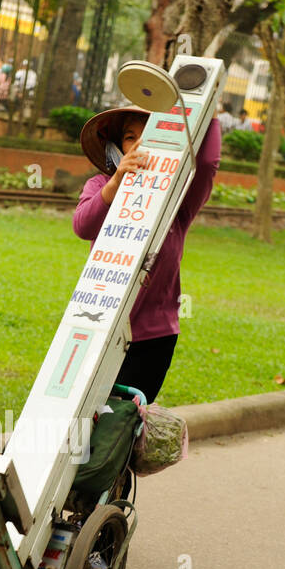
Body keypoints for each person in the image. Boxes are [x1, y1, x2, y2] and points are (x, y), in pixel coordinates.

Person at [73, 103, 221, 405]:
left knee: (125, 424)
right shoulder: (100, 185)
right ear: (116, 146)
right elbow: (83, 225)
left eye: (152, 134)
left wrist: (211, 111)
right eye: (130, 136)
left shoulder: (179, 200)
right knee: (83, 418)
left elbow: (206, 163)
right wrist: (116, 184)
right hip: (98, 324)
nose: (141, 143)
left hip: (154, 337)